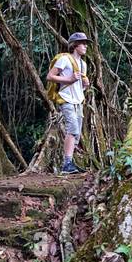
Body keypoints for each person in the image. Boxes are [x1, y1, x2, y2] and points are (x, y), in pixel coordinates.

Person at [46, 32, 91, 174]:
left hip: (78, 100)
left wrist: (86, 84)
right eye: (82, 43)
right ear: (75, 45)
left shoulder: (83, 65)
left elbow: (79, 86)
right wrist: (69, 80)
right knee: (73, 130)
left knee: (76, 134)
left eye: (85, 43)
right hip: (66, 99)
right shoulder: (65, 59)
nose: (85, 46)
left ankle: (70, 162)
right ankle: (66, 165)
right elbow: (50, 76)